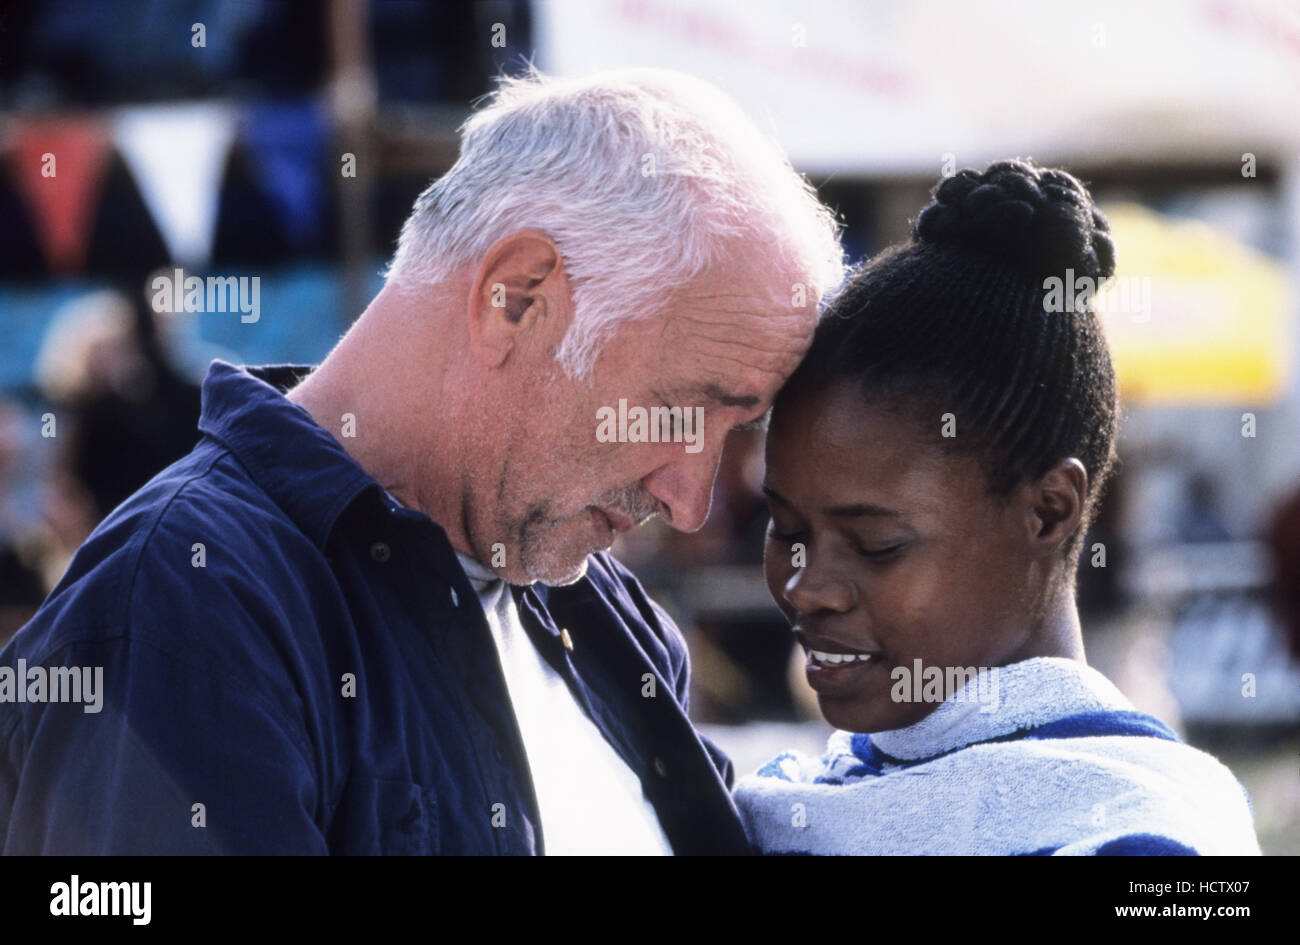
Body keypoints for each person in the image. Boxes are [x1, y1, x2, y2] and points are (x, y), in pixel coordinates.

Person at [0, 68, 843, 854]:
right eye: (681, 410)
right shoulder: (188, 605)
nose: (690, 499)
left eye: (736, 430)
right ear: (515, 296)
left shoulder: (600, 610)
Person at [734, 160, 1261, 855]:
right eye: (789, 529)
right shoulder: (787, 794)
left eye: (877, 543)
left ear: (1048, 510)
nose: (807, 585)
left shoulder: (1143, 837)